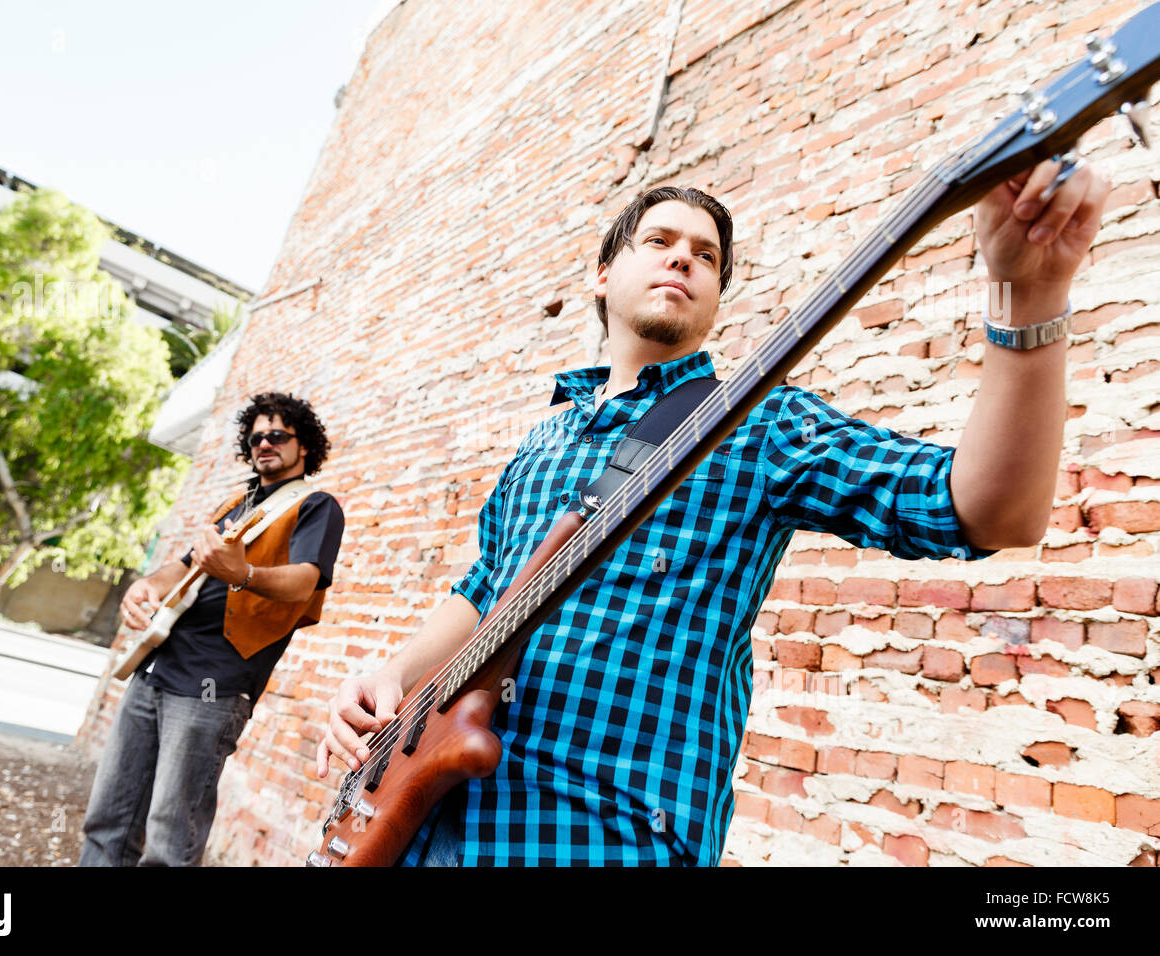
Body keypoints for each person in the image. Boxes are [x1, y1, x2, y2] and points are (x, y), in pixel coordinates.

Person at [318, 161, 1108, 866]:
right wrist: (391, 674)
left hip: (596, 834)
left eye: (706, 256)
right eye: (659, 240)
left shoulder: (760, 424)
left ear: (717, 296)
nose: (683, 258)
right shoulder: (543, 441)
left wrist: (1027, 294)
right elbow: (486, 589)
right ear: (602, 274)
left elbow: (988, 510)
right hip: (420, 824)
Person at [81, 392, 345, 866]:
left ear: (303, 445)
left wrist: (241, 574)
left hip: (214, 684)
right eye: (256, 436)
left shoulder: (315, 505)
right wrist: (144, 586)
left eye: (278, 435)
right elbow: (183, 567)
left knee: (170, 838)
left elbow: (304, 582)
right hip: (155, 668)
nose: (264, 443)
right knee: (108, 820)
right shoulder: (236, 503)